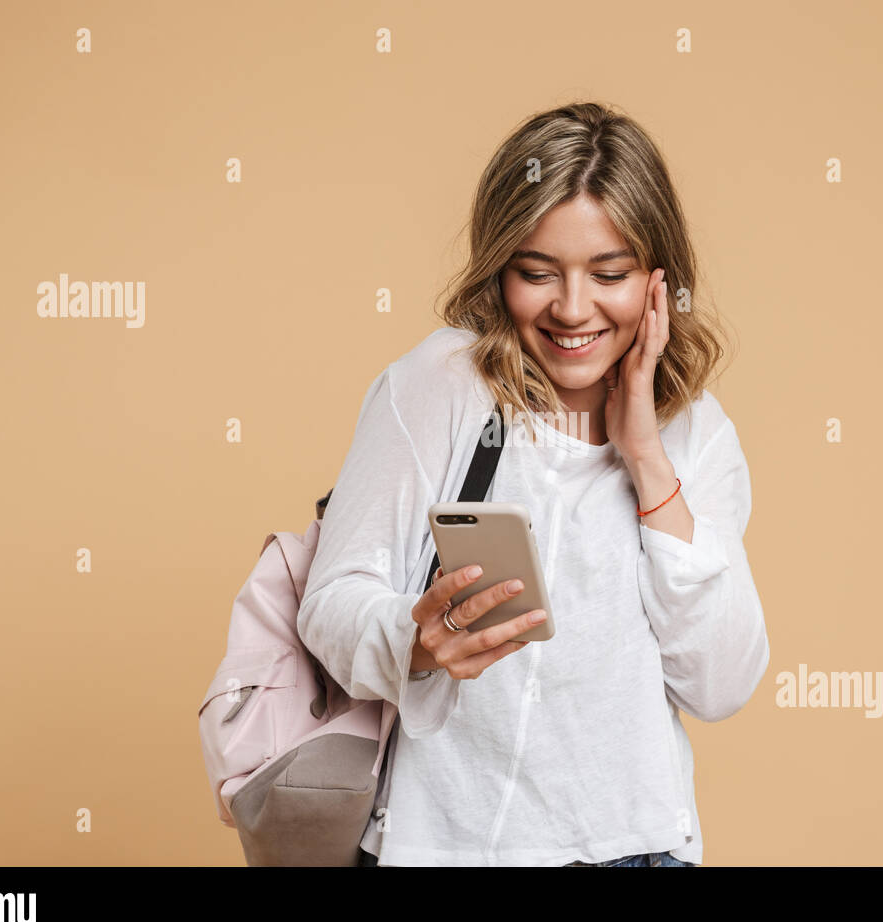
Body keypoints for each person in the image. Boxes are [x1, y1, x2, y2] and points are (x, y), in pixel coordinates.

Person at [298, 102, 770, 866]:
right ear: (498, 270)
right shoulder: (441, 384)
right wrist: (414, 643)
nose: (573, 309)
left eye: (609, 274)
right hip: (449, 848)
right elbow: (331, 602)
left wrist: (647, 459)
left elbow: (720, 682)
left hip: (639, 852)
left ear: (658, 281)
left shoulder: (696, 432)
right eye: (537, 273)